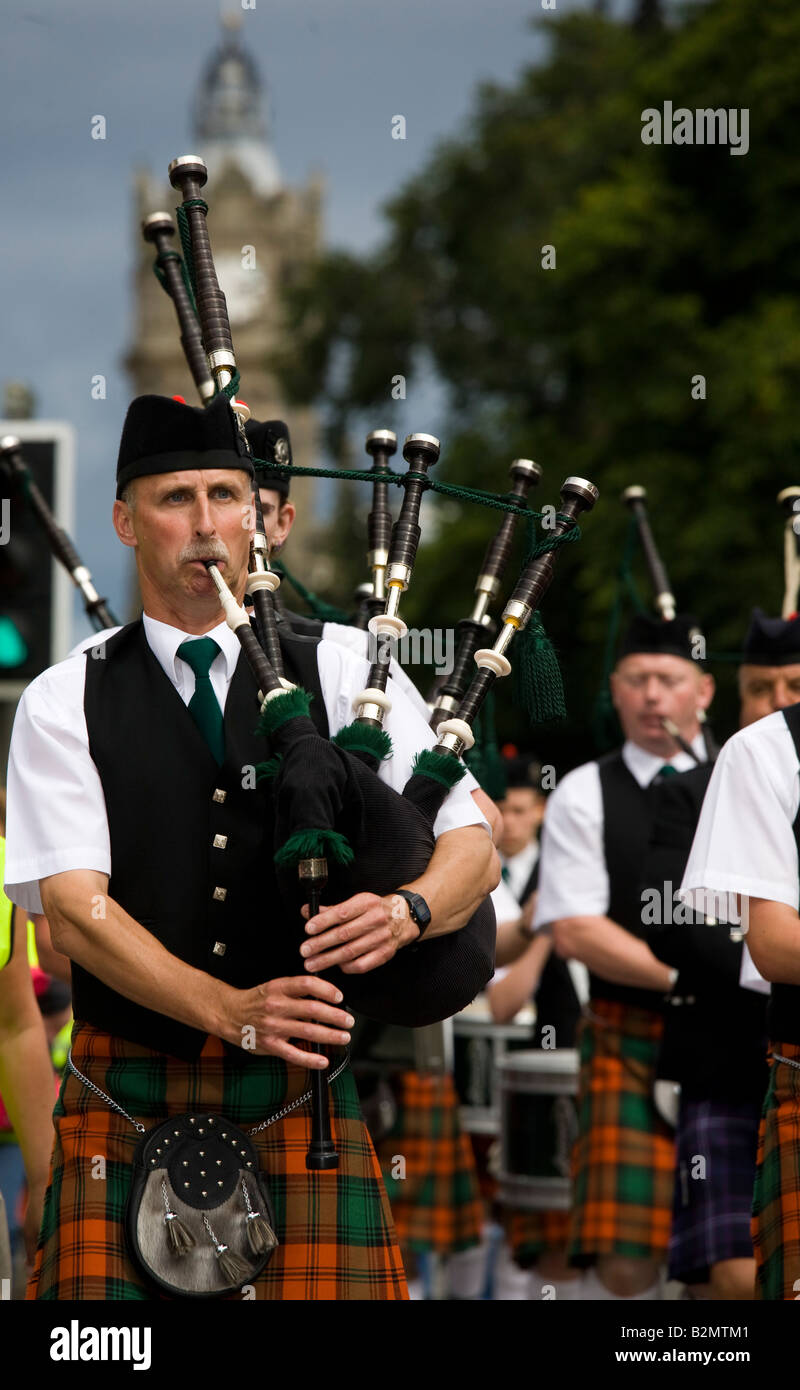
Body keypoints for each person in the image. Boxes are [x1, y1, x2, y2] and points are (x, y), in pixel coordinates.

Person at [4, 391, 498, 1301]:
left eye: (227, 495)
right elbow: (75, 913)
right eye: (175, 498)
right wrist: (230, 1009)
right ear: (123, 521)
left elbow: (474, 844)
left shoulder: (349, 666)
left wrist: (406, 912)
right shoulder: (64, 697)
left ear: (257, 518)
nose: (206, 526)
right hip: (129, 1091)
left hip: (299, 1103)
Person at [534, 614, 715, 1299]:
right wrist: (697, 978)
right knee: (627, 1264)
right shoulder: (583, 791)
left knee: (727, 1257)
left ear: (703, 690)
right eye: (636, 679)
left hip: (728, 1043)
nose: (652, 696)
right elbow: (577, 929)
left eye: (668, 680)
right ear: (615, 690)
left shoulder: (741, 776)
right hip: (627, 1039)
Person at [645, 609, 799, 1299]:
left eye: (793, 684)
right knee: (738, 1281)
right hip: (731, 1054)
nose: (779, 702)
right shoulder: (692, 788)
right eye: (762, 688)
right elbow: (685, 928)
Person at [487, 756, 584, 1299]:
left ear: (542, 812)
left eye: (521, 809)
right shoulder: (477, 874)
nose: (511, 821)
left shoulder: (572, 869)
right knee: (530, 1231)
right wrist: (547, 924)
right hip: (525, 1073)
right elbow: (504, 1001)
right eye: (502, 809)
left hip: (592, 1064)